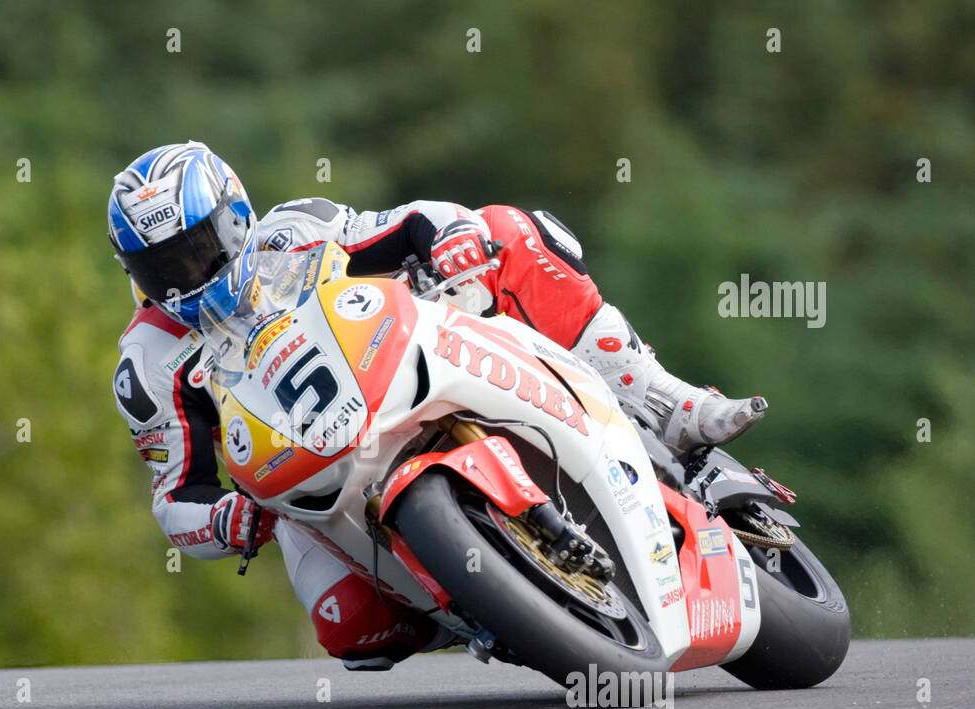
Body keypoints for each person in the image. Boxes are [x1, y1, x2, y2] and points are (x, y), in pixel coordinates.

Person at [107, 141, 764, 670]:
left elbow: (410, 222)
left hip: (404, 364)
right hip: (307, 484)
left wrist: (449, 239)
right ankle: (489, 607)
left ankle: (658, 395)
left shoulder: (293, 232)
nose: (186, 275)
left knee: (507, 232)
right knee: (350, 629)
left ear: (236, 219)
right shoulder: (147, 364)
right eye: (160, 266)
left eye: (197, 250)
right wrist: (224, 521)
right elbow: (175, 495)